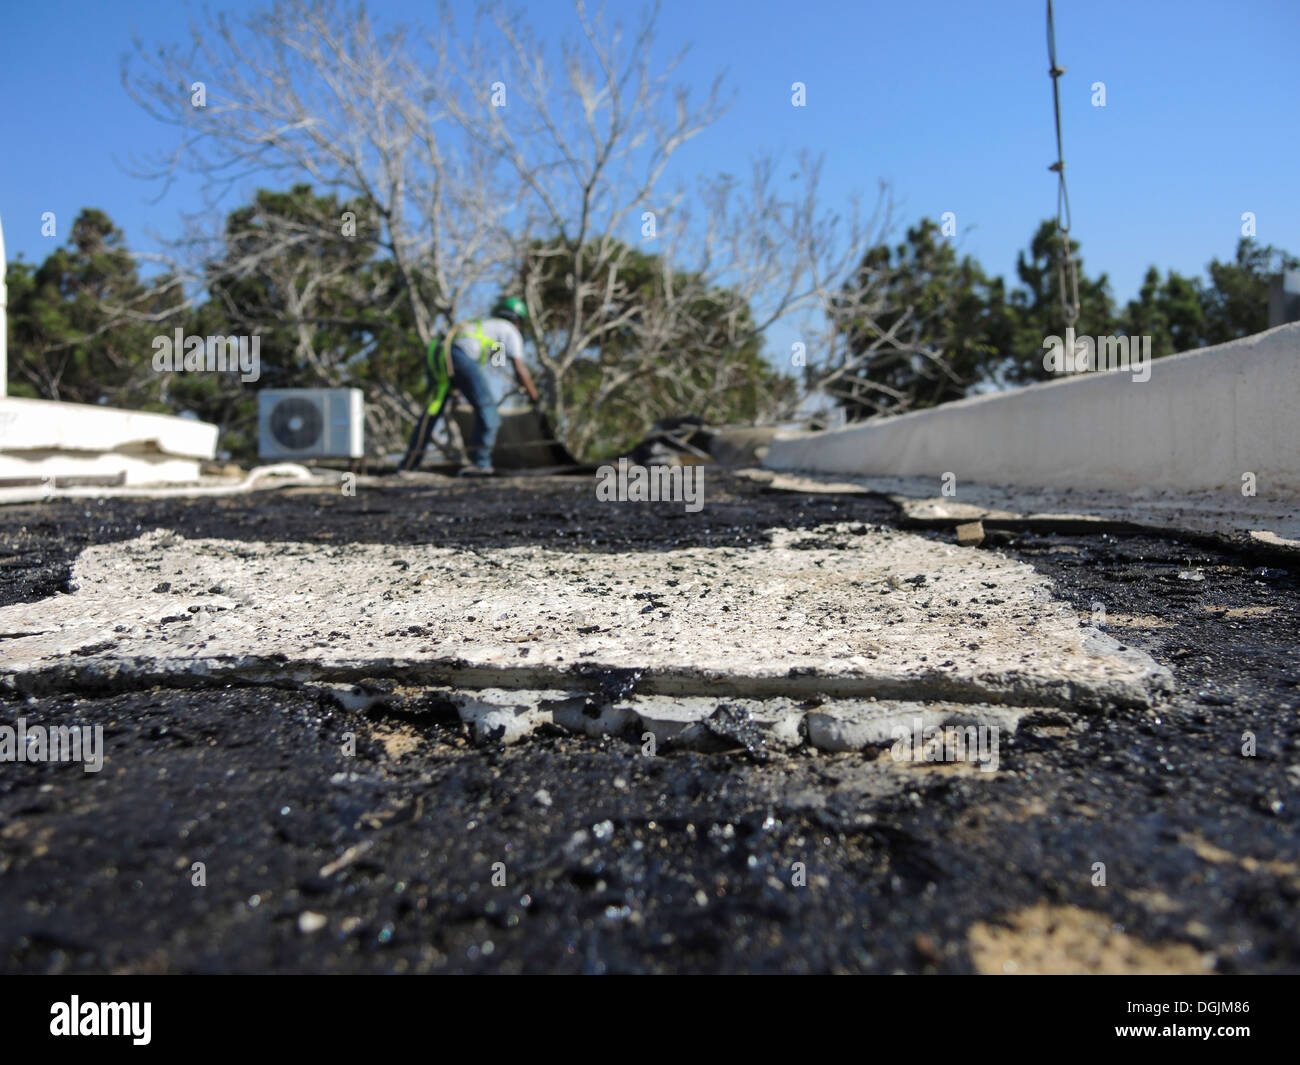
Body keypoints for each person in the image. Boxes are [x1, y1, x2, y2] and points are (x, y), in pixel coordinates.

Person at [399, 297, 539, 476]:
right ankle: (480, 465)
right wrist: (534, 396)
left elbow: (497, 364)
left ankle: (408, 465)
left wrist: (457, 391)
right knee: (490, 414)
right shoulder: (510, 330)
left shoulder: (487, 325)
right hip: (460, 358)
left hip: (439, 355)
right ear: (518, 320)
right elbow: (519, 369)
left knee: (432, 412)